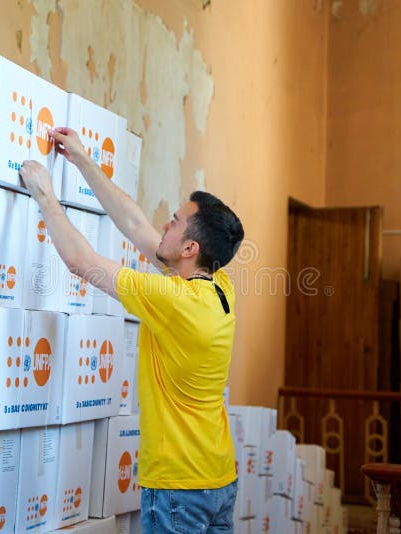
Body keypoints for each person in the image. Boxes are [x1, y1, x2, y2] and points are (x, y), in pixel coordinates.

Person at [19, 125, 244, 534]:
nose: (165, 225)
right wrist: (84, 161)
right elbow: (135, 224)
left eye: (175, 223)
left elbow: (80, 261)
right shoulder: (217, 286)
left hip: (179, 485)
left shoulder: (173, 300)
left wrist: (45, 196)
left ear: (191, 249)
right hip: (217, 477)